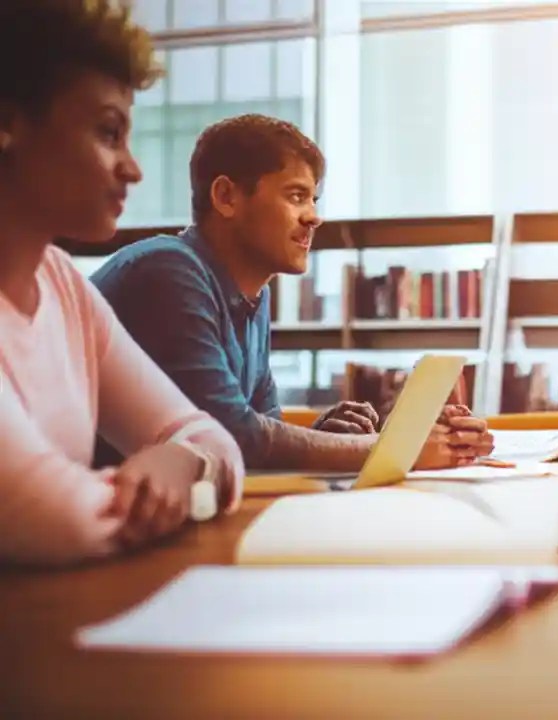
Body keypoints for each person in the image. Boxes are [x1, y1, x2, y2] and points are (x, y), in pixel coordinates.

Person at [92, 114, 493, 471]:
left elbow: (260, 431)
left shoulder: (253, 295)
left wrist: (333, 436)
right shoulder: (168, 271)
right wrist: (396, 450)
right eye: (296, 196)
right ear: (226, 197)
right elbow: (231, 437)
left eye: (314, 199)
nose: (314, 217)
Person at [0, 0, 244, 565]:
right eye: (109, 133)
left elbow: (216, 445)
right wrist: (188, 482)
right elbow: (52, 519)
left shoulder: (63, 286)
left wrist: (184, 464)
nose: (133, 168)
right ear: (8, 124)